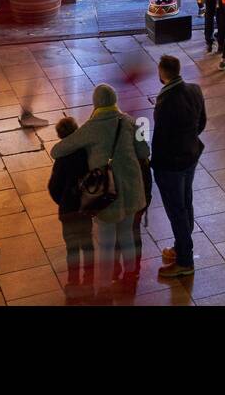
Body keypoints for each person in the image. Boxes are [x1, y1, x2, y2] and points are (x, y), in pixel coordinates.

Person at [49, 84, 150, 302]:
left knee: (106, 243)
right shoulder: (130, 122)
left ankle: (104, 287)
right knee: (126, 236)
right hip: (132, 190)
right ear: (115, 100)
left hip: (106, 196)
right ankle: (130, 277)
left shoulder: (91, 127)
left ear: (95, 104)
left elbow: (57, 151)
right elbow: (144, 151)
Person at [151, 55, 206, 279]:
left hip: (171, 165)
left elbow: (161, 139)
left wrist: (154, 162)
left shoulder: (165, 102)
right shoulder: (194, 90)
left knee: (177, 212)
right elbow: (202, 122)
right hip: (190, 156)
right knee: (186, 203)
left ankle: (185, 260)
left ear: (162, 73)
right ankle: (180, 246)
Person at [47, 116, 94, 302]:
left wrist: (63, 201)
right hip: (85, 208)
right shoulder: (86, 153)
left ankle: (73, 283)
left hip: (68, 211)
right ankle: (89, 282)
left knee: (72, 248)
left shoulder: (62, 159)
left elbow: (53, 187)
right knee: (88, 245)